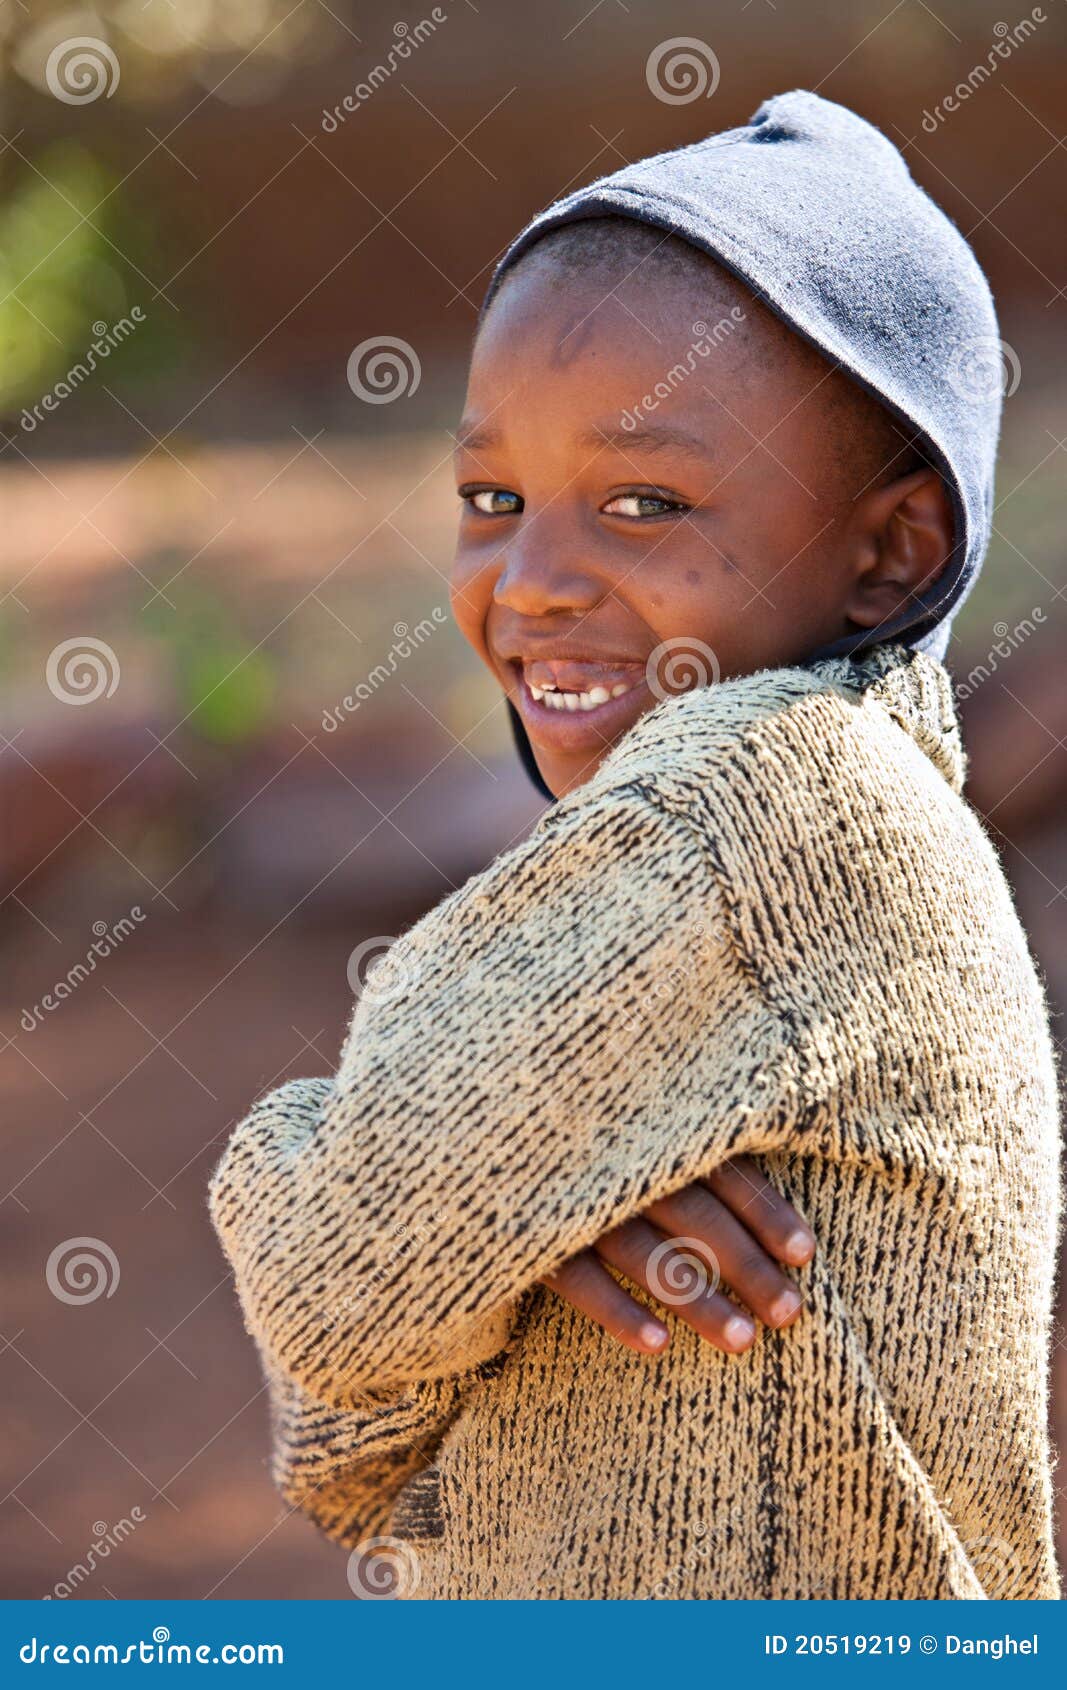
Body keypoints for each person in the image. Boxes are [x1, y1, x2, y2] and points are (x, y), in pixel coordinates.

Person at [209, 91, 1060, 1599]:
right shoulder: (873, 798)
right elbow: (364, 1438)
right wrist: (512, 1222)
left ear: (891, 551)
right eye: (491, 497)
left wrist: (393, 1187)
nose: (529, 581)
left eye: (645, 501)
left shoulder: (749, 799)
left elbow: (335, 1297)